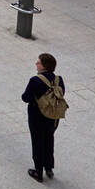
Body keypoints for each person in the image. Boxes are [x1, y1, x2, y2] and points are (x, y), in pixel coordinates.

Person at [23, 53, 65, 182]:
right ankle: (49, 168)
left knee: (37, 142)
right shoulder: (59, 79)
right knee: (48, 140)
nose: (36, 63)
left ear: (44, 66)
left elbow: (25, 97)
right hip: (53, 117)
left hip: (37, 117)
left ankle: (38, 171)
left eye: (39, 62)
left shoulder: (35, 80)